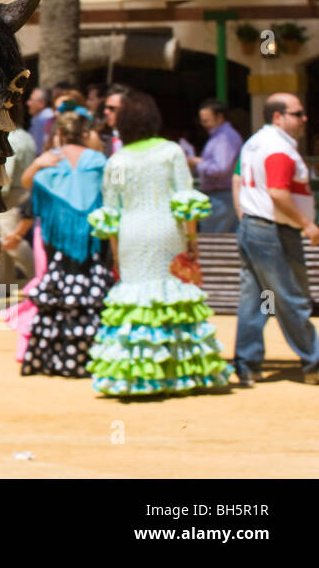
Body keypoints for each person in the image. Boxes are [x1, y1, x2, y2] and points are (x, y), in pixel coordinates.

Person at [86, 91, 231, 395]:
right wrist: (192, 240)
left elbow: (111, 212)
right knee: (172, 296)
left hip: (130, 234)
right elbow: (184, 200)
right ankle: (178, 374)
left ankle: (137, 376)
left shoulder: (117, 160)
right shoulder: (171, 151)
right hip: (168, 230)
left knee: (135, 297)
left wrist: (115, 255)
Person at [17, 105, 114, 377]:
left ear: (59, 133)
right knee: (93, 298)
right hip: (92, 243)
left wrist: (37, 164)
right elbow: (109, 193)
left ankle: (58, 359)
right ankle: (96, 358)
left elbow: (29, 186)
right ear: (85, 133)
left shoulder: (50, 160)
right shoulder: (97, 160)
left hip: (59, 243)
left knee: (59, 299)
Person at [233, 93, 319, 386]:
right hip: (274, 232)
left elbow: (238, 181)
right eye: (298, 113)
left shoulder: (255, 142)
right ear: (278, 117)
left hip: (254, 228)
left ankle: (248, 365)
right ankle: (314, 362)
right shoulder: (277, 148)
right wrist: (307, 224)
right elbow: (279, 192)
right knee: (291, 296)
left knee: (256, 299)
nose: (304, 118)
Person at [0, 100, 38, 287]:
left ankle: (38, 277)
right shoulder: (26, 136)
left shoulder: (10, 139)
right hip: (25, 193)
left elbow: (6, 176)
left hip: (11, 196)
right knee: (7, 244)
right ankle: (3, 284)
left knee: (10, 241)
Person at [189, 98, 243, 234]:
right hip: (222, 197)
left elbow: (220, 168)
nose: (203, 124)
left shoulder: (225, 137)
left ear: (219, 117)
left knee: (213, 244)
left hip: (222, 197)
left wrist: (197, 163)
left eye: (206, 120)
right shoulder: (220, 136)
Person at [97, 83, 130, 156]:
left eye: (112, 108)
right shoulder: (99, 136)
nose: (105, 111)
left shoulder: (135, 138)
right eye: (105, 107)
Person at [27, 86, 52, 153]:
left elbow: (37, 149)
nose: (28, 103)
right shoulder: (40, 117)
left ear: (42, 104)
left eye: (31, 99)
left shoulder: (43, 119)